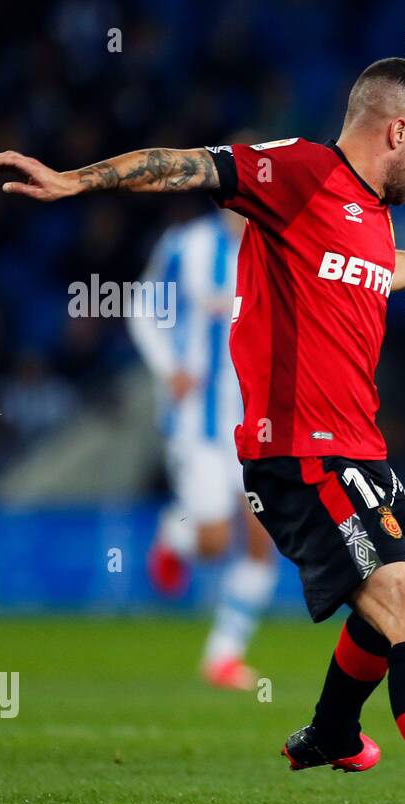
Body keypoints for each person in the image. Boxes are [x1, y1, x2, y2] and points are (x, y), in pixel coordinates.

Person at [0, 57, 405, 804]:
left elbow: (373, 274)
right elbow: (189, 167)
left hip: (360, 450)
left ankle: (330, 732)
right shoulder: (299, 172)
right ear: (397, 129)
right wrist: (75, 182)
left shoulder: (369, 211)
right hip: (301, 454)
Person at [128, 197, 277, 691]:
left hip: (258, 423)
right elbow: (142, 305)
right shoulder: (186, 245)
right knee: (214, 543)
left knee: (261, 539)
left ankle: (224, 657)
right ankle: (175, 535)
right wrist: (169, 369)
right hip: (199, 422)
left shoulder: (279, 249)